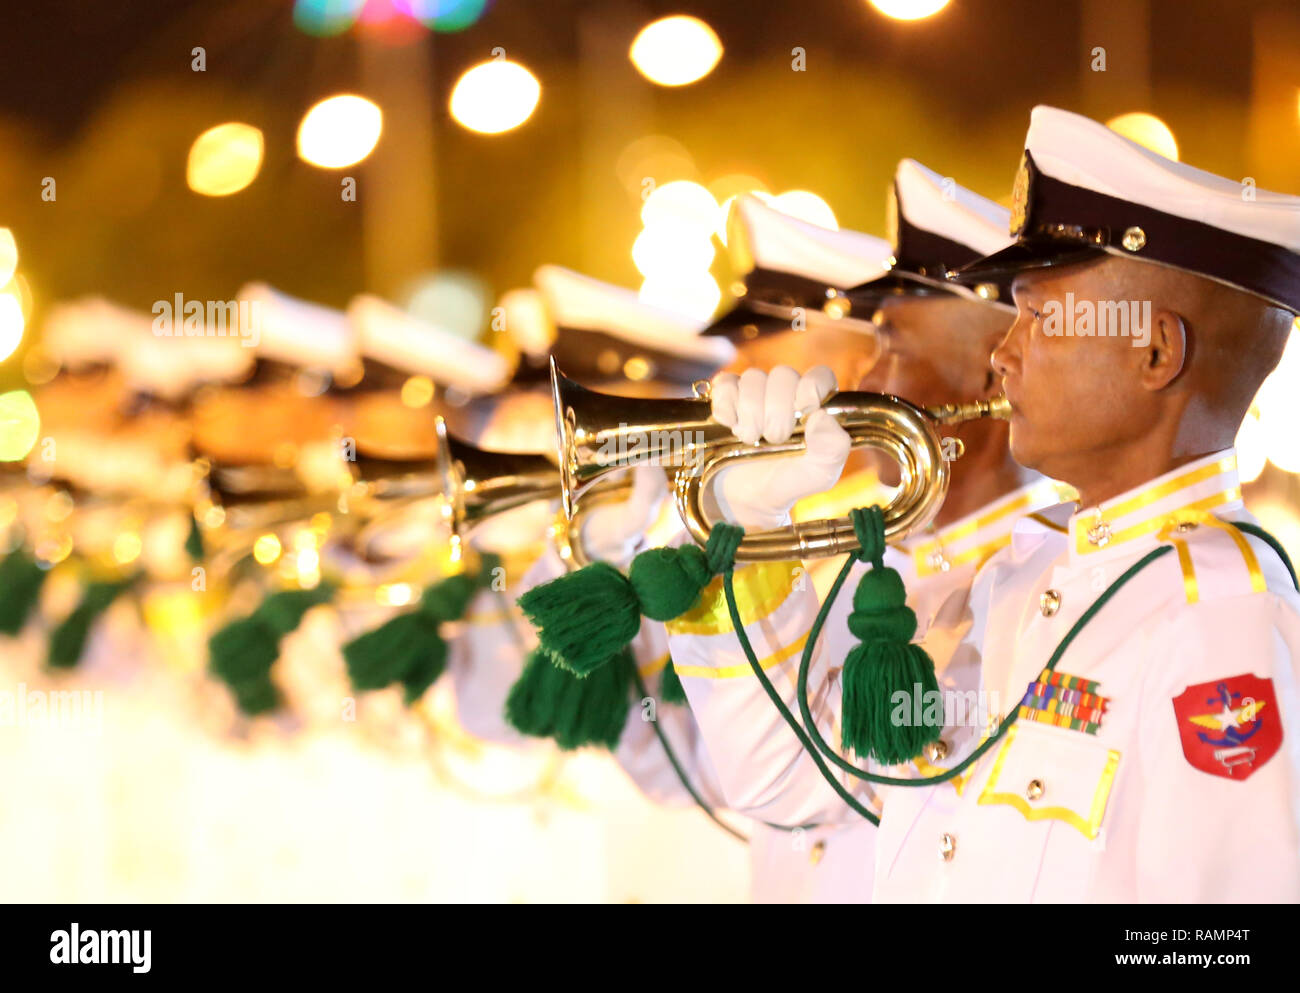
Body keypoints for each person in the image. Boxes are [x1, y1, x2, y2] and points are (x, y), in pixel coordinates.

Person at [668, 105, 1300, 901]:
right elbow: (794, 782)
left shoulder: (1218, 614)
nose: (1006, 352)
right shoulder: (1020, 574)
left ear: (1155, 350)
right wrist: (743, 522)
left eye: (1038, 317)